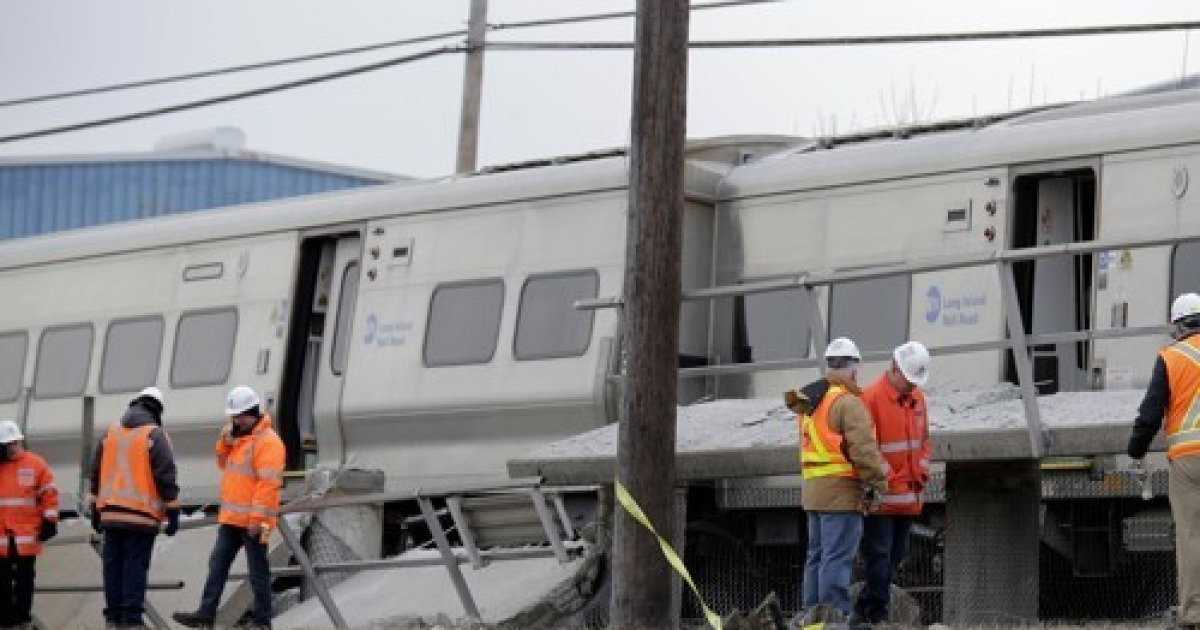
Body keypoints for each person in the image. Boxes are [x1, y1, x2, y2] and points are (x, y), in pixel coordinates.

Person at [785, 337, 888, 623]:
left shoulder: (811, 400)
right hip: (840, 493)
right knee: (837, 558)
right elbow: (864, 451)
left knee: (816, 557)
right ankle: (833, 618)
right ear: (853, 367)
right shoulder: (847, 403)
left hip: (813, 492)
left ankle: (812, 618)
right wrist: (880, 482)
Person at [174, 386, 285, 630]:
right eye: (233, 416)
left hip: (258, 521)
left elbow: (268, 485)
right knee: (217, 564)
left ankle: (262, 621)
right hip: (233, 519)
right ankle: (206, 614)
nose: (235, 420)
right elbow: (224, 464)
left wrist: (257, 519)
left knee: (258, 570)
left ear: (253, 413)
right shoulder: (240, 439)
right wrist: (224, 443)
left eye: (240, 416)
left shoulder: (269, 443)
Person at [1128, 292, 1200, 630]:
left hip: (1188, 462)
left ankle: (1194, 614)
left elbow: (1150, 414)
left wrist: (1136, 450)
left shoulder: (1171, 358)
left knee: (1191, 536)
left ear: (1178, 325)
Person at [853, 341, 932, 625]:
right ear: (895, 369)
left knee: (894, 557)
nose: (913, 386)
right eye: (910, 380)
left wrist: (921, 472)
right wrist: (894, 480)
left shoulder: (918, 399)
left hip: (908, 497)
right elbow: (868, 448)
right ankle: (876, 615)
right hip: (884, 498)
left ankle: (865, 610)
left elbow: (923, 441)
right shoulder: (871, 397)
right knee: (880, 557)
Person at [90, 386, 180, 630]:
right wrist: (173, 511)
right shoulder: (154, 435)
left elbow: (96, 473)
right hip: (141, 516)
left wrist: (95, 509)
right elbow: (166, 475)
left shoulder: (110, 434)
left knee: (113, 567)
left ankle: (113, 618)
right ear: (157, 409)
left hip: (110, 513)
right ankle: (131, 620)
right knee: (134, 568)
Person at [0, 420, 58, 630]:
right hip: (3, 538)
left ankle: (21, 617)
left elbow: (49, 494)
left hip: (25, 536)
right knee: (3, 582)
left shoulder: (35, 464)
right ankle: (7, 618)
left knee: (25, 580)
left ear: (15, 442)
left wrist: (50, 521)